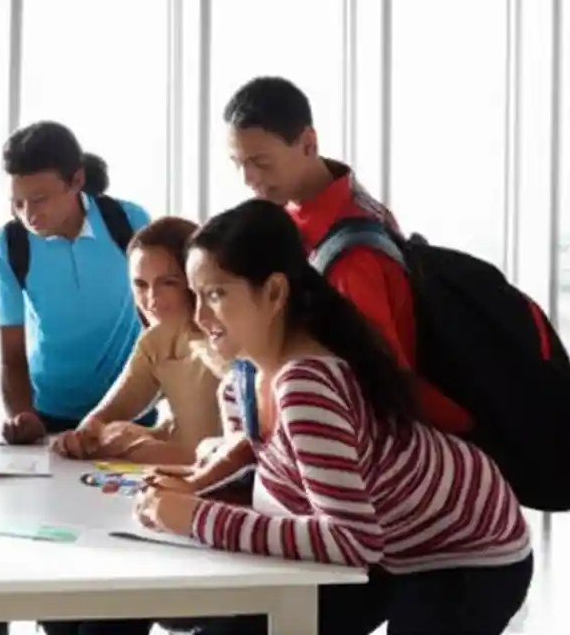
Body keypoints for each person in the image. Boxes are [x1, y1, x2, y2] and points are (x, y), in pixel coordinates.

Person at [137, 199, 532, 635]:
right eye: (197, 296)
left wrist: (194, 516)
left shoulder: (306, 386)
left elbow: (350, 541)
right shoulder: (242, 378)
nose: (199, 316)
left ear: (273, 292)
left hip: (463, 551)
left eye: (216, 294)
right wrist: (197, 484)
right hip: (383, 543)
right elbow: (270, 463)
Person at [221, 76, 470, 436]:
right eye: (238, 163)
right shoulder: (301, 214)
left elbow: (379, 385)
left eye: (262, 162)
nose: (248, 177)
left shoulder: (352, 255)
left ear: (308, 143)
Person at [0, 122, 153, 445]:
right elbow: (11, 353)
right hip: (50, 415)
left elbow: (162, 320)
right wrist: (22, 415)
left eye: (39, 199)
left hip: (131, 414)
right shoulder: (9, 244)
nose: (29, 215)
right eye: (18, 203)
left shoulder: (129, 222)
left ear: (76, 180)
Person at [51, 217, 224, 465]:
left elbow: (233, 459)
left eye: (168, 283)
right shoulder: (156, 341)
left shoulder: (228, 346)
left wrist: (135, 445)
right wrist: (83, 438)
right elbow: (99, 422)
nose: (151, 300)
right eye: (141, 285)